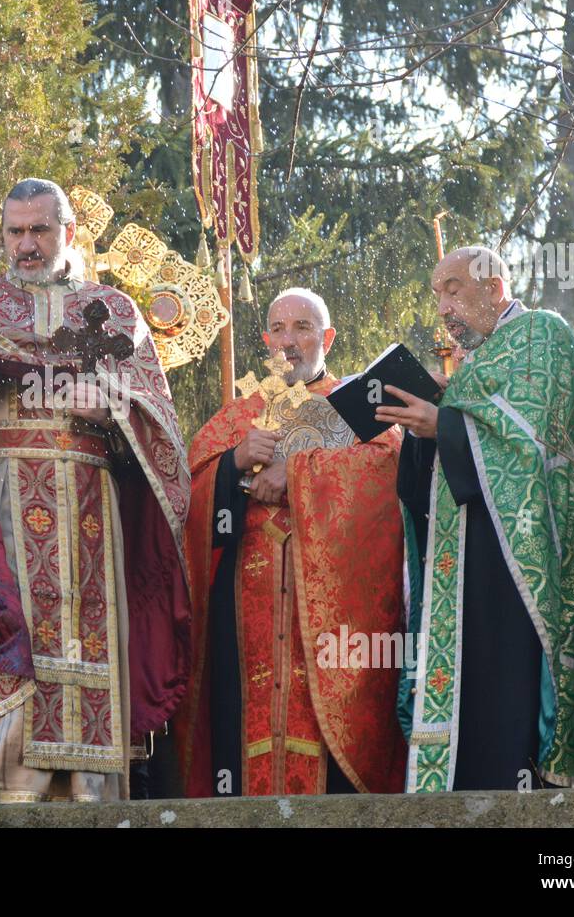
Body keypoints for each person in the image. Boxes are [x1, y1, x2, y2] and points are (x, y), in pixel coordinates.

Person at [0, 178, 190, 804]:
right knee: (6, 636)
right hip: (0, 501)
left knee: (90, 644)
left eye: (39, 230)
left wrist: (111, 407)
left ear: (69, 232)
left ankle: (88, 797)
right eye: (15, 232)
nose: (26, 246)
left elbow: (159, 416)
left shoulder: (111, 311)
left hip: (89, 500)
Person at [378, 245, 574, 790]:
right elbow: (444, 472)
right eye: (436, 293)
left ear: (493, 287)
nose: (442, 306)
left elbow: (528, 442)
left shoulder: (541, 332)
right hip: (464, 560)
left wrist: (444, 424)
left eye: (453, 289)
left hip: (524, 554)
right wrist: (427, 427)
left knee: (513, 697)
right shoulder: (474, 364)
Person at [174, 289, 407, 796]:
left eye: (303, 328)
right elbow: (185, 498)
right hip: (246, 616)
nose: (289, 341)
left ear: (327, 338)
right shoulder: (237, 416)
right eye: (278, 330)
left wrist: (294, 474)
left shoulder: (357, 406)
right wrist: (232, 463)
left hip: (331, 618)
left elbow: (387, 468)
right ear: (265, 342)